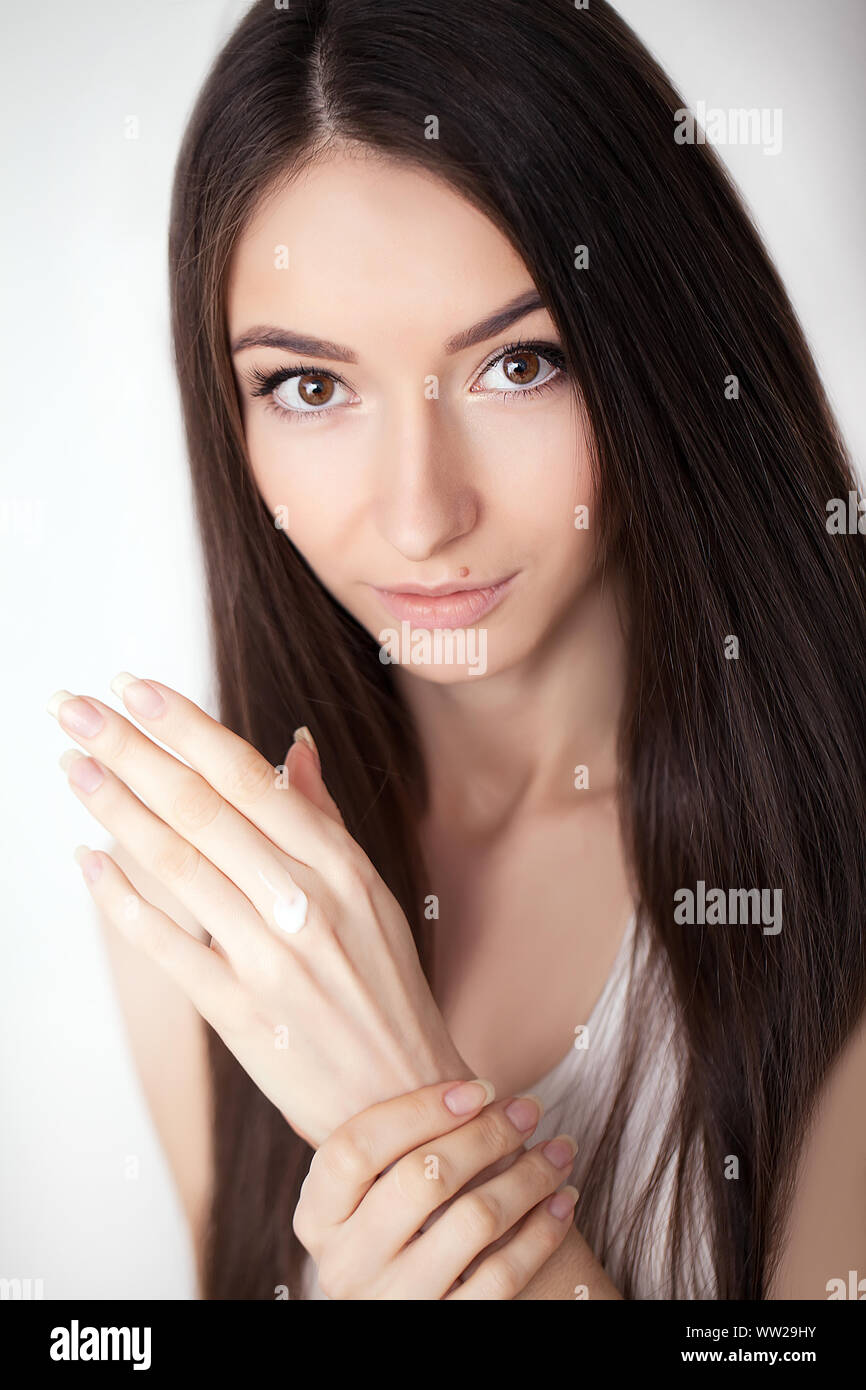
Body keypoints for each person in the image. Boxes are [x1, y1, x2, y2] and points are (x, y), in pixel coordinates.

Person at [53, 0, 866, 1299]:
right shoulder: (217, 933)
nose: (422, 514)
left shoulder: (832, 855)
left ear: (662, 339)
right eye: (309, 387)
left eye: (518, 365)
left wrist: (416, 1135)